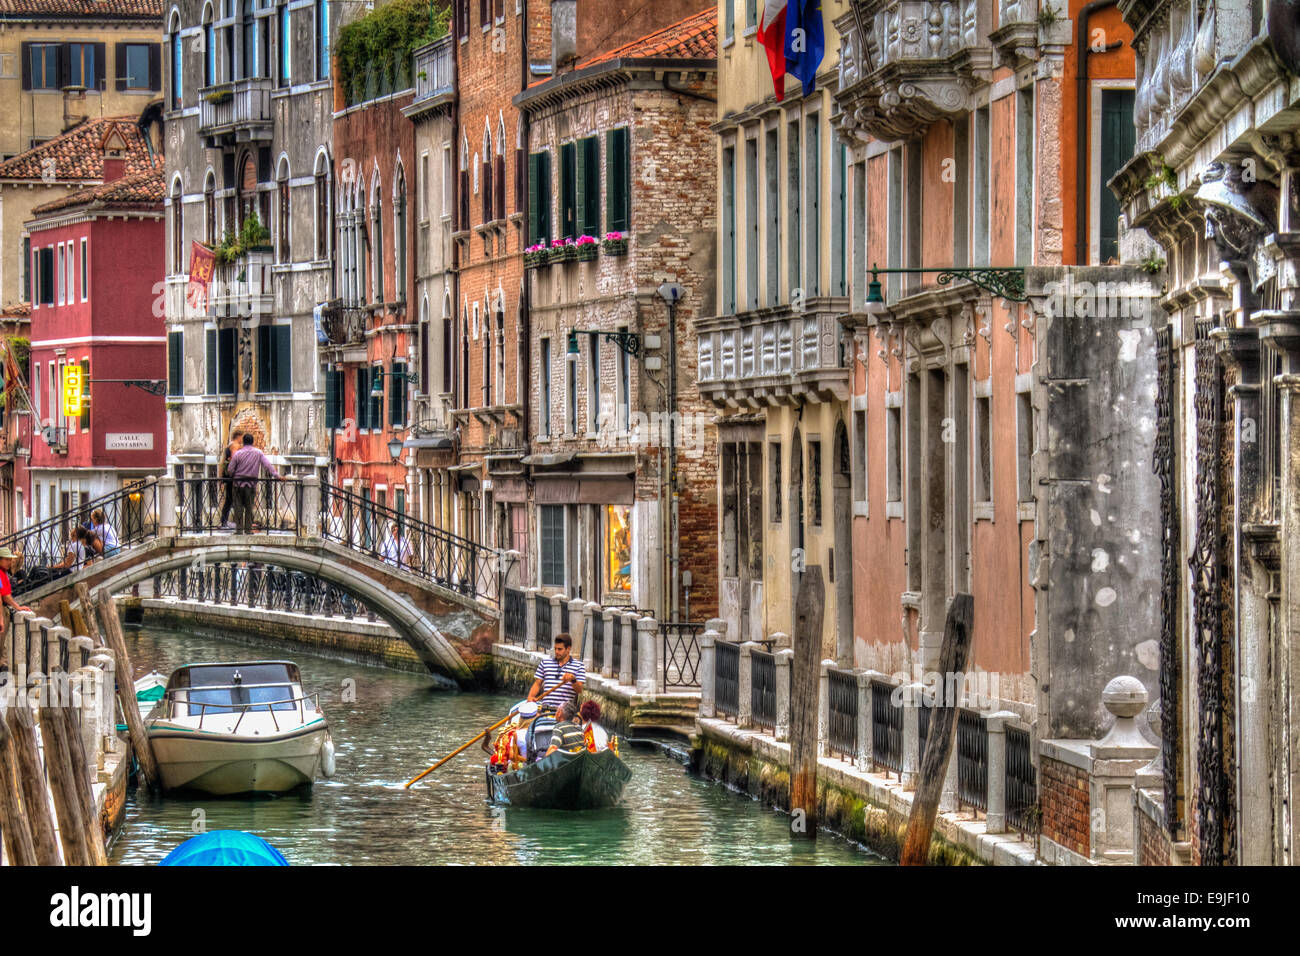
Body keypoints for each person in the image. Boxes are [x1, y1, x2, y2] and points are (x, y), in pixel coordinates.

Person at [226, 433, 284, 533]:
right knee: (249, 507)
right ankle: (248, 530)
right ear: (252, 442)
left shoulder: (238, 454)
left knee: (238, 508)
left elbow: (230, 469)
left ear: (243, 442)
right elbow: (268, 466)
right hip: (251, 484)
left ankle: (239, 530)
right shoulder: (258, 453)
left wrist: (235, 474)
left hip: (238, 484)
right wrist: (277, 476)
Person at [526, 632, 585, 714]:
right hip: (546, 710)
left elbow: (579, 690)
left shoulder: (579, 666)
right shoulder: (545, 663)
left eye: (560, 649)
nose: (556, 652)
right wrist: (530, 697)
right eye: (555, 649)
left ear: (568, 649)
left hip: (565, 713)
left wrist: (573, 680)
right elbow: (537, 684)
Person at [0, 547, 32, 650]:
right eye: (7, 559)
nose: (10, 562)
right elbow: (4, 595)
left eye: (10, 559)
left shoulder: (3, 572)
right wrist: (17, 607)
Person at [218, 432, 241, 530]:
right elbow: (235, 460)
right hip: (233, 477)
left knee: (229, 499)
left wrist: (221, 477)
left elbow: (222, 462)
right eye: (241, 437)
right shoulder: (235, 446)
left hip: (227, 477)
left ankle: (224, 520)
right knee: (234, 499)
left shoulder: (228, 447)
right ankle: (233, 522)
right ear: (238, 437)